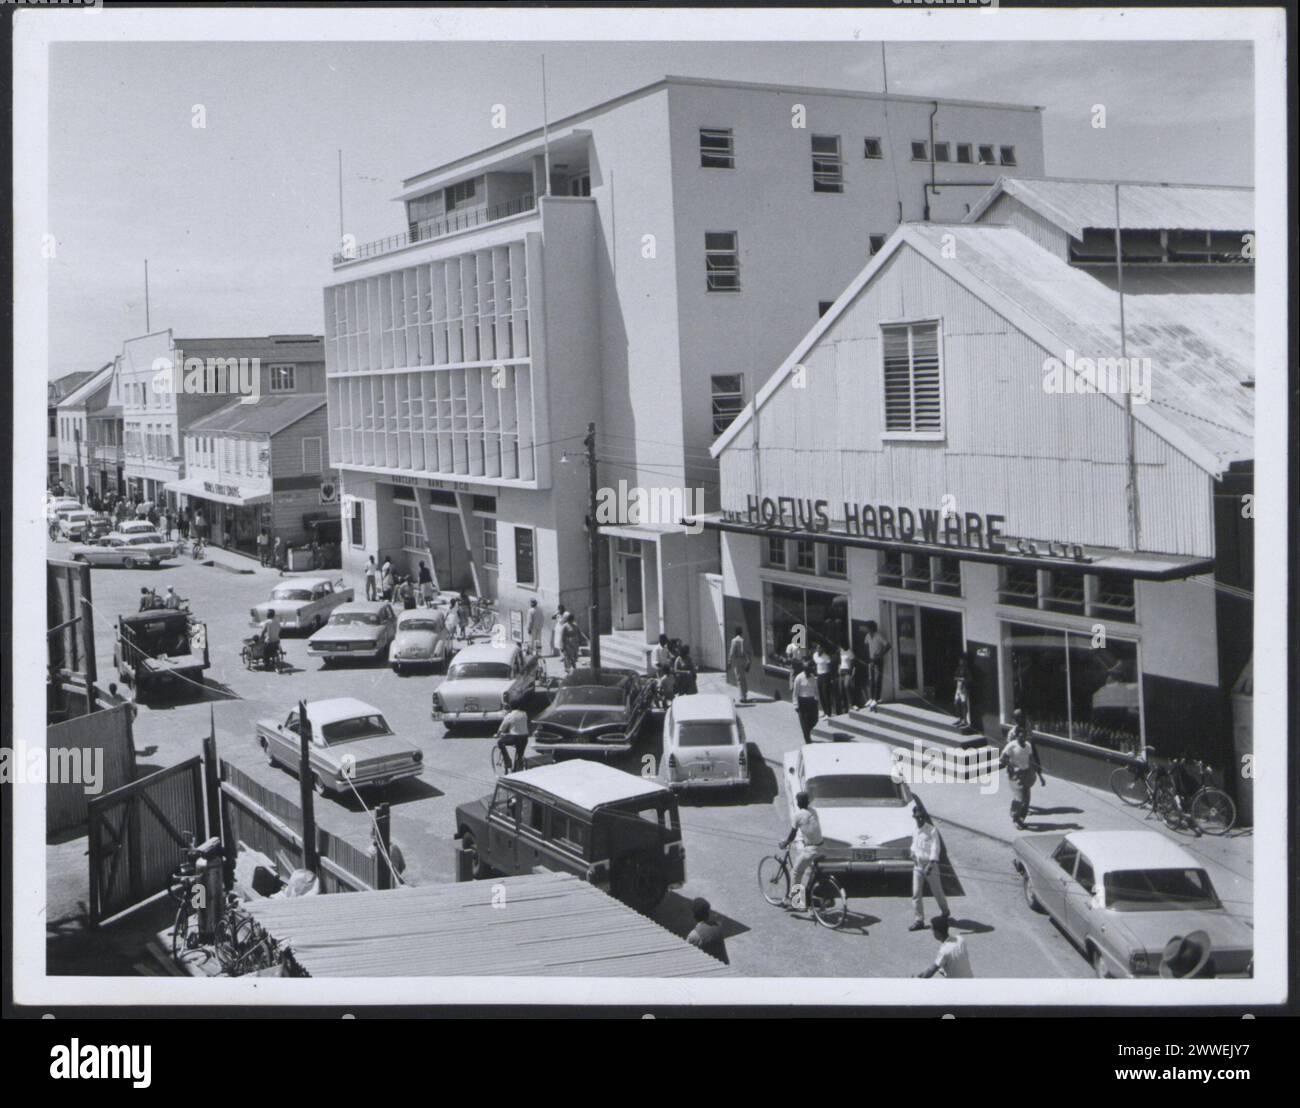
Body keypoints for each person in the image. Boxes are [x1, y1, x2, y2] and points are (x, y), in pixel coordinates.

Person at [999, 709, 1044, 829]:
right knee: (1020, 797)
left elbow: (1032, 750)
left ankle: (1020, 818)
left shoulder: (1028, 728)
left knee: (1026, 797)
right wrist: (1008, 766)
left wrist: (1038, 771)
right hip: (1016, 770)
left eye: (1022, 718)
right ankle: (1015, 817)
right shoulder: (1012, 733)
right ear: (1015, 720)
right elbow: (1008, 751)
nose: (1021, 720)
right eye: (1018, 718)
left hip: (1027, 768)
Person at [909, 804, 950, 930]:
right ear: (914, 817)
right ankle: (919, 920)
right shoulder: (915, 830)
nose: (920, 819)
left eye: (922, 817)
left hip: (930, 865)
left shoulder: (932, 830)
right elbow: (914, 845)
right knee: (916, 893)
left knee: (937, 892)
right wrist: (912, 852)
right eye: (918, 817)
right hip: (918, 865)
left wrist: (931, 865)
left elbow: (935, 848)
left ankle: (945, 911)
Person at [779, 791, 823, 908]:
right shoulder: (813, 811)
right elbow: (810, 827)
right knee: (808, 871)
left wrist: (785, 843)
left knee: (796, 873)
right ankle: (808, 895)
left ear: (798, 803)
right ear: (808, 802)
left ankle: (795, 902)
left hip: (811, 849)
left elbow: (792, 834)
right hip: (821, 847)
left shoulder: (797, 815)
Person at [686, 897, 729, 964]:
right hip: (723, 965)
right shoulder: (718, 926)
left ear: (694, 915)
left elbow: (687, 956)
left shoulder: (694, 935)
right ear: (708, 913)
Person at [494, 702, 532, 774]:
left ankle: (507, 760)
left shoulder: (510, 715)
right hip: (524, 737)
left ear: (511, 707)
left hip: (515, 738)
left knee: (500, 742)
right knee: (519, 754)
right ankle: (517, 767)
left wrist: (497, 734)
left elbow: (503, 727)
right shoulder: (524, 714)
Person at [863, 621, 891, 711]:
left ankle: (876, 698)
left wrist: (880, 654)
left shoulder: (878, 636)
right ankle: (871, 698)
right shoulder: (867, 636)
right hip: (871, 659)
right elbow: (866, 644)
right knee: (871, 679)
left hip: (878, 659)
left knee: (877, 679)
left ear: (871, 628)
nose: (866, 629)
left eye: (867, 628)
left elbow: (888, 645)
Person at [790, 660, 820, 745]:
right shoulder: (799, 678)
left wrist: (816, 699)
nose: (809, 671)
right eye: (807, 670)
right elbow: (795, 693)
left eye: (810, 670)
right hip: (802, 701)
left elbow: (816, 690)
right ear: (805, 670)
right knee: (804, 721)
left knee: (815, 719)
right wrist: (795, 705)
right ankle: (807, 739)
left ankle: (807, 732)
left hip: (811, 701)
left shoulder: (813, 677)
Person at [727, 627, 752, 704]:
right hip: (744, 660)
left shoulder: (734, 640)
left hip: (737, 660)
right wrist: (748, 662)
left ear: (735, 632)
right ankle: (745, 694)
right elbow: (748, 652)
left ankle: (743, 697)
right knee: (743, 678)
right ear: (741, 632)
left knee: (739, 679)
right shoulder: (744, 640)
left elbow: (732, 652)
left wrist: (729, 661)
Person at [813, 644, 835, 718]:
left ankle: (828, 713)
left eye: (820, 648)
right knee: (821, 694)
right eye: (817, 648)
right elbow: (814, 664)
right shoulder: (815, 655)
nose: (819, 649)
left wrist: (831, 678)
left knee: (826, 694)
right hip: (819, 676)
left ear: (822, 649)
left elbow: (830, 668)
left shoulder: (826, 657)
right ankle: (824, 711)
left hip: (826, 675)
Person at [952, 657, 972, 731]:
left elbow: (970, 679)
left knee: (963, 704)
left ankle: (964, 720)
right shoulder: (958, 669)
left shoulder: (967, 670)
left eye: (962, 662)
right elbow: (954, 677)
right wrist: (958, 679)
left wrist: (963, 679)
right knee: (956, 703)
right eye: (960, 662)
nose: (961, 663)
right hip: (958, 688)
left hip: (964, 689)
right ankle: (960, 718)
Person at [837, 643, 856, 715]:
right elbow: (840, 661)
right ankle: (844, 707)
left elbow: (853, 662)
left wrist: (851, 672)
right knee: (841, 689)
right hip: (842, 671)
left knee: (846, 686)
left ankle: (851, 704)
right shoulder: (841, 651)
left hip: (847, 671)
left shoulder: (849, 652)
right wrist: (838, 668)